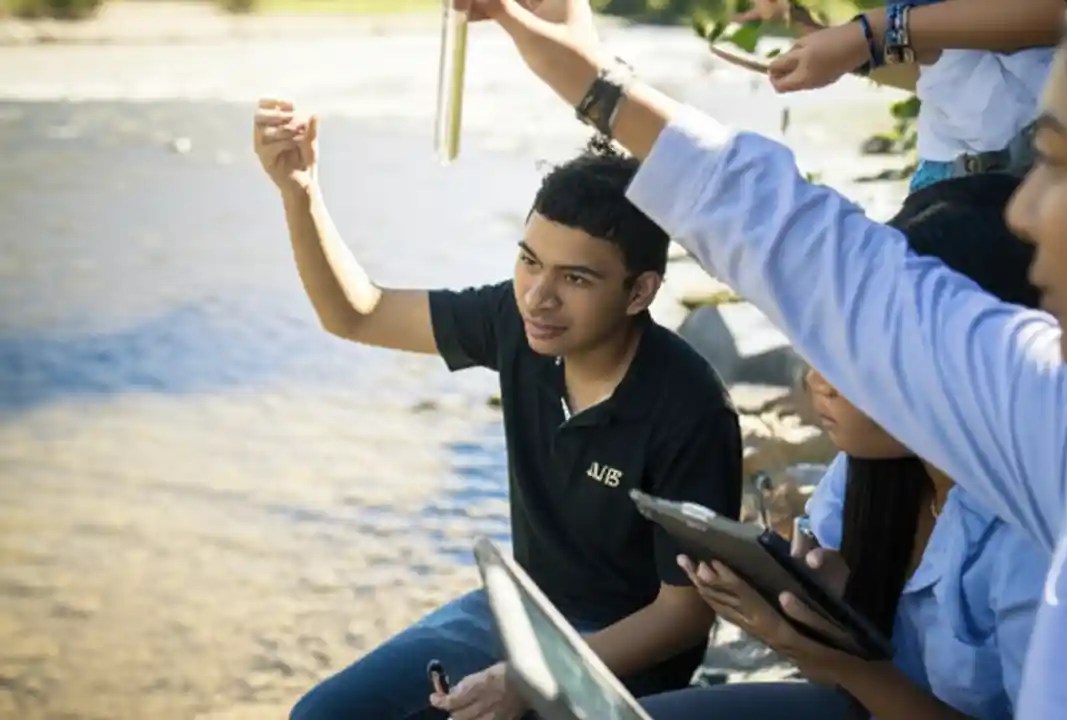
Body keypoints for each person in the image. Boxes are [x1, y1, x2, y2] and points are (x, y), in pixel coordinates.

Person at [465, 0, 1067, 715]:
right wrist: (591, 77)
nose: (1024, 211)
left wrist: (842, 664)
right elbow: (828, 262)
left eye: (1059, 162)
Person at [251, 112, 744, 720]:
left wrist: (535, 680)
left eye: (576, 278)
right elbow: (359, 313)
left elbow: (684, 613)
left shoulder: (689, 408)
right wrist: (300, 194)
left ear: (640, 292)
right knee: (321, 715)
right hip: (519, 613)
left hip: (625, 656)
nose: (539, 295)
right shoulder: (517, 324)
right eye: (530, 261)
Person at [641, 174, 1049, 720]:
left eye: (866, 346)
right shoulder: (870, 475)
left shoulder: (1033, 533)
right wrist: (803, 625)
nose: (819, 378)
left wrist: (843, 663)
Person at [744, 0, 1066, 190]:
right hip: (941, 171)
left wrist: (871, 34)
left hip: (1035, 167)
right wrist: (844, 48)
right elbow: (938, 63)